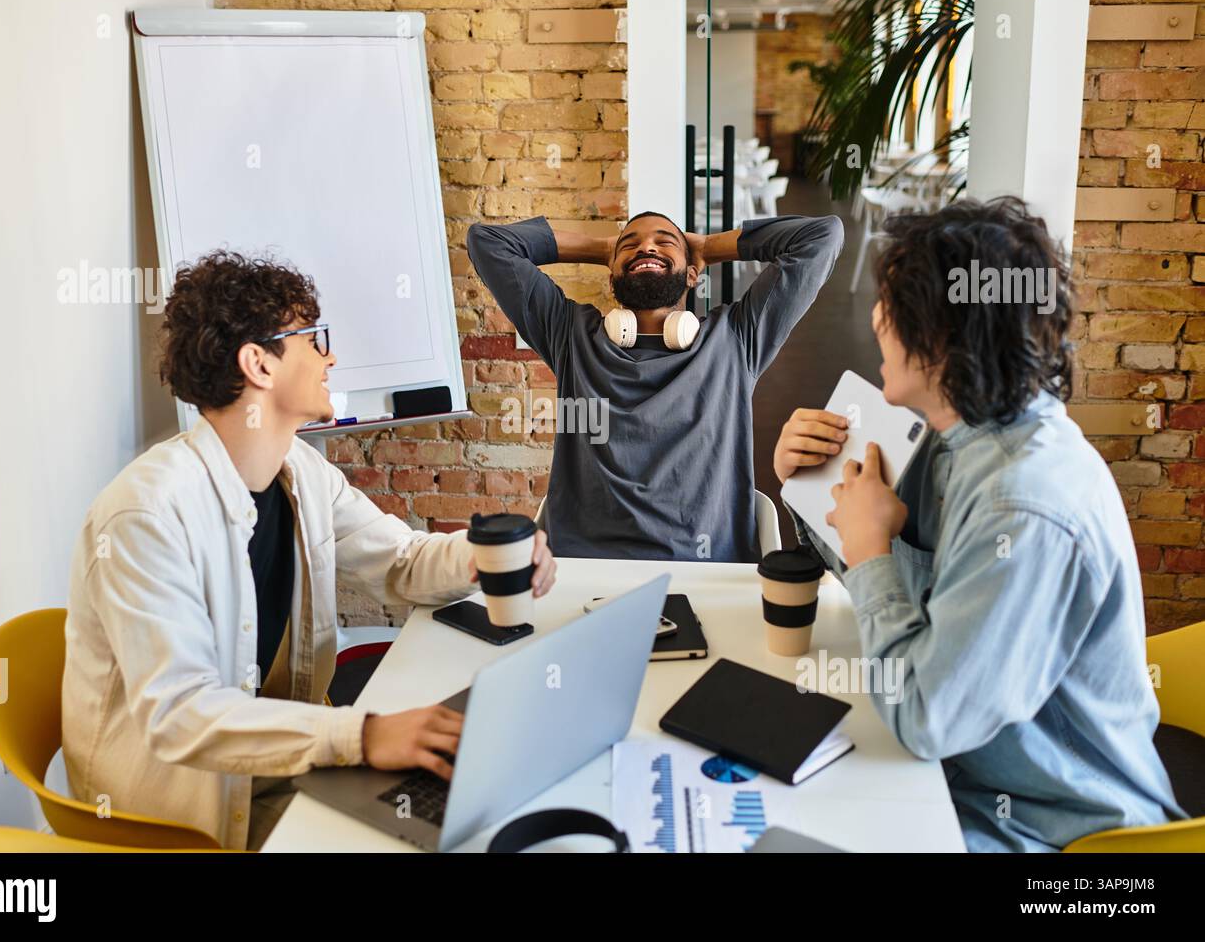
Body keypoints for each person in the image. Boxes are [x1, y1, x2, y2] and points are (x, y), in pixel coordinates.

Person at [61, 250, 556, 850]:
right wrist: (363, 737)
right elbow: (180, 713)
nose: (332, 357)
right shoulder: (146, 514)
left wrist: (484, 556)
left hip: (276, 772)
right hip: (189, 815)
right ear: (259, 364)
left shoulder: (301, 471)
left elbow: (399, 564)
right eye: (314, 340)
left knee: (472, 811)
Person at [774, 197, 1184, 851]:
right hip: (957, 779)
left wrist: (873, 548)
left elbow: (925, 716)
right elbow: (879, 567)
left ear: (939, 337)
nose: (877, 317)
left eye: (892, 303)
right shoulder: (959, 428)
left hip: (1047, 828)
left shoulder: (1022, 507)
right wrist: (806, 479)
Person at [467, 210, 843, 562]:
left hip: (706, 571)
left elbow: (822, 236)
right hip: (586, 571)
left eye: (665, 242)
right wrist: (602, 249)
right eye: (630, 244)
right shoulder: (570, 336)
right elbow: (487, 242)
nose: (646, 247)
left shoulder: (735, 338)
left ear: (693, 274)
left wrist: (710, 248)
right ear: (611, 276)